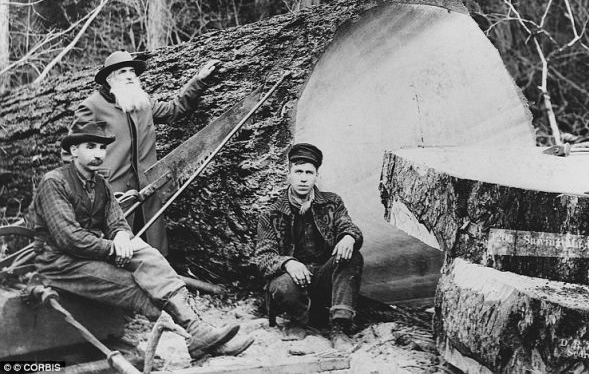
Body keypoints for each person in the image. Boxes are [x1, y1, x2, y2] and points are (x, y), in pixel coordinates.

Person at [30, 122, 253, 359]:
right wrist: (113, 248)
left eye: (102, 148)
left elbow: (116, 222)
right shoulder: (54, 182)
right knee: (134, 283)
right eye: (90, 146)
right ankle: (195, 337)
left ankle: (199, 333)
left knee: (149, 256)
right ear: (74, 151)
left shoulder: (100, 185)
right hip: (60, 263)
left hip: (91, 253)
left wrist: (122, 237)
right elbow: (69, 239)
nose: (98, 154)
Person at [71, 50, 220, 256]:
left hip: (147, 191)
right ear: (109, 78)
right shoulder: (92, 106)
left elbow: (174, 109)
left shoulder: (141, 101)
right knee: (115, 252)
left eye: (132, 70)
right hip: (112, 195)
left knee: (152, 251)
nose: (130, 75)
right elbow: (74, 151)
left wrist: (198, 81)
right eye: (123, 71)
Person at [251, 143, 364, 351]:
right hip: (293, 282)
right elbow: (264, 257)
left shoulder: (332, 202)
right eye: (298, 171)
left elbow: (346, 224)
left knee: (353, 256)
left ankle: (340, 326)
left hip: (323, 277)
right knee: (281, 284)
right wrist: (288, 263)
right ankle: (297, 321)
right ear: (289, 174)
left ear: (316, 176)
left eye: (309, 173)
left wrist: (349, 236)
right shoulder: (271, 214)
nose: (303, 178)